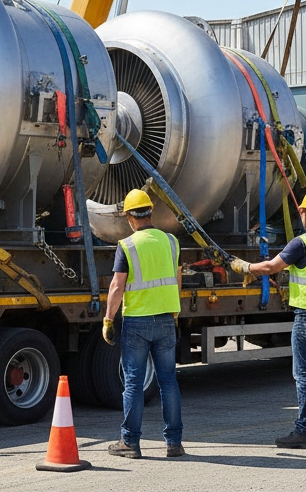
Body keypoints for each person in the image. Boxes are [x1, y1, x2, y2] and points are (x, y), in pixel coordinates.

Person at [231, 188, 306, 448]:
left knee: (304, 374)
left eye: (302, 212)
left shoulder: (302, 243)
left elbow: (272, 266)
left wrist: (245, 267)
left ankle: (304, 432)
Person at [102, 189, 184, 459]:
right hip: (165, 320)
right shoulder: (171, 242)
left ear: (128, 217)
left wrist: (108, 319)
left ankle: (130, 443)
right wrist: (175, 311)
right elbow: (177, 278)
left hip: (137, 322)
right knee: (168, 382)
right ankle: (174, 443)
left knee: (134, 384)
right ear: (150, 212)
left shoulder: (127, 246)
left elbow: (117, 286)